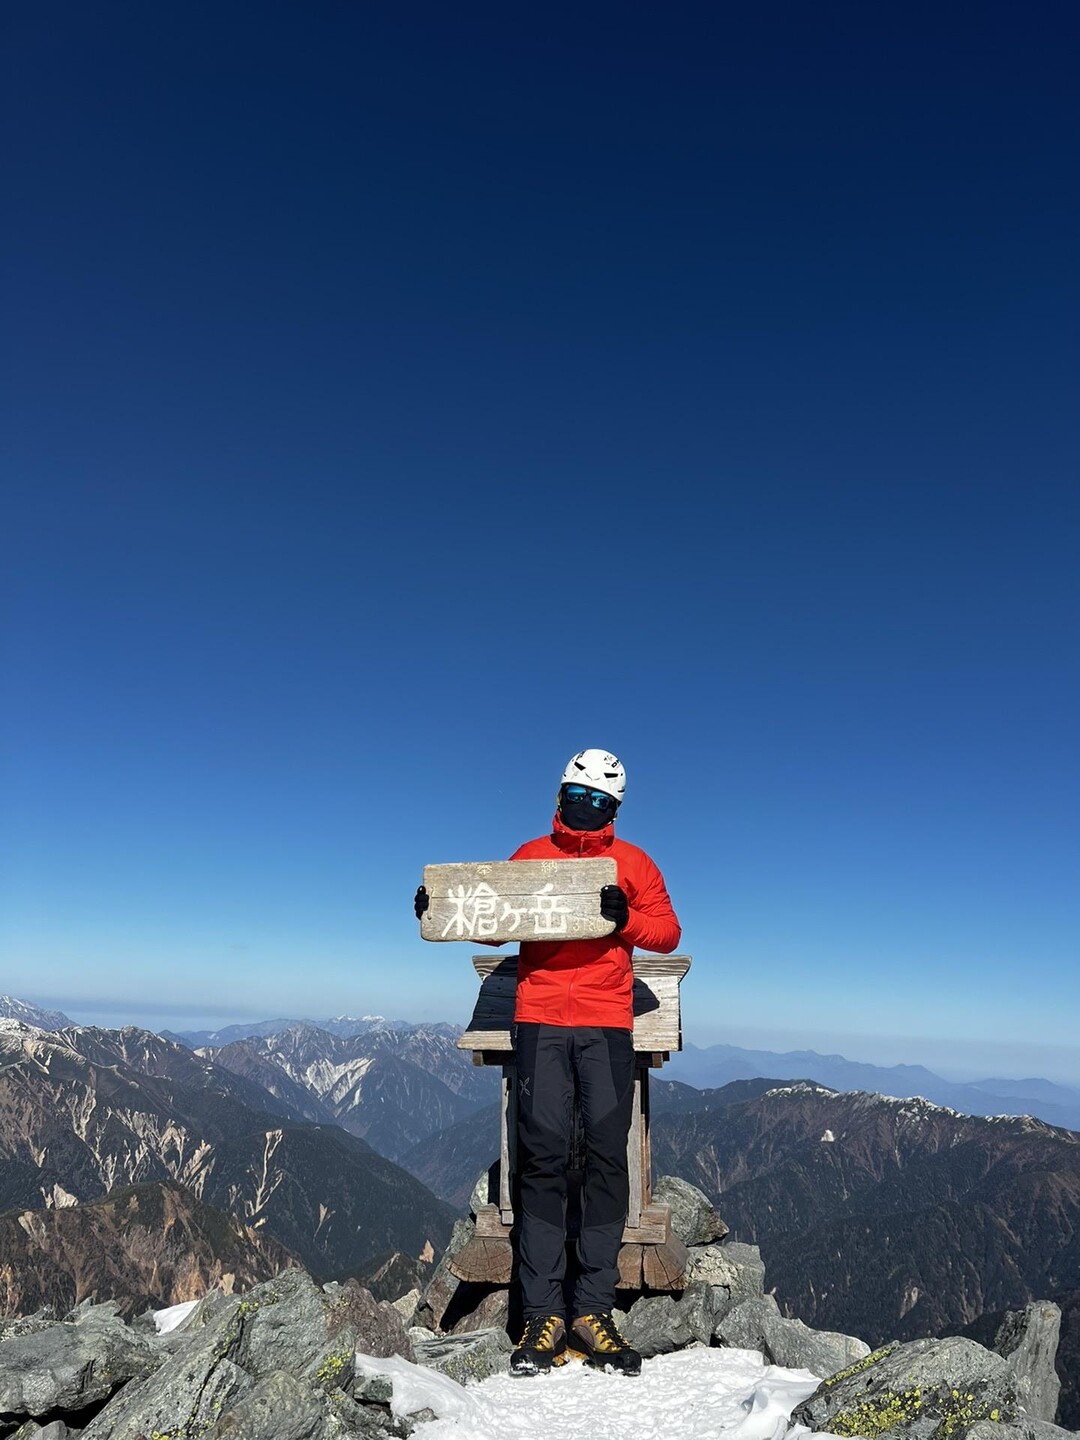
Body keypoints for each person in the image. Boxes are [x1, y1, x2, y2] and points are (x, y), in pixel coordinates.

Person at [415, 748, 682, 1377]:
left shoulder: (634, 864)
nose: (586, 808)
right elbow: (495, 921)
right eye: (578, 796)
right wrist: (441, 907)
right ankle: (544, 1314)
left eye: (599, 801)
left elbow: (667, 932)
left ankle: (592, 1309)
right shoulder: (532, 855)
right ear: (561, 796)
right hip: (539, 1020)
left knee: (606, 1159)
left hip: (605, 1023)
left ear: (614, 808)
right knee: (542, 1157)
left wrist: (624, 920)